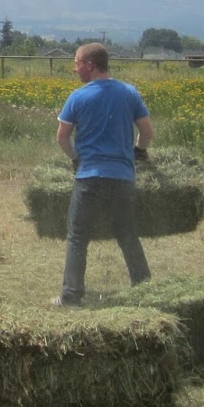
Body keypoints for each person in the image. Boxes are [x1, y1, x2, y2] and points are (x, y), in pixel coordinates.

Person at [52, 42, 154, 308]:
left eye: (76, 63)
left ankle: (71, 297)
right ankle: (145, 291)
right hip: (122, 179)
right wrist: (137, 153)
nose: (74, 69)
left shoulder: (78, 97)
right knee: (128, 235)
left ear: (90, 65)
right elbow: (147, 132)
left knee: (77, 237)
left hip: (89, 178)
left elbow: (62, 138)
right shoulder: (129, 93)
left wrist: (76, 159)